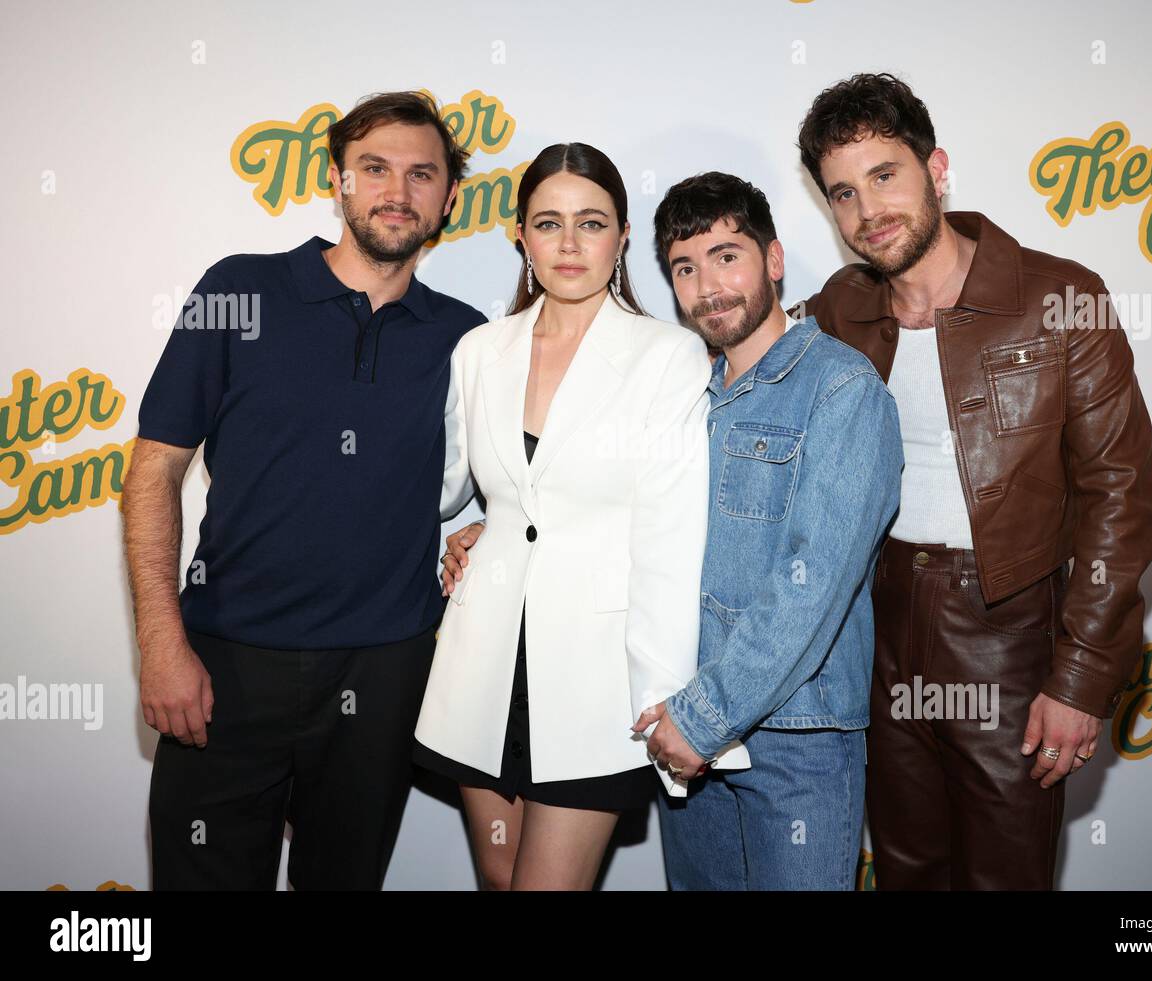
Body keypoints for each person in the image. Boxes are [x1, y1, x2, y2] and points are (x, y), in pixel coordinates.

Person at [791, 73, 1152, 889]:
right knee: (908, 869)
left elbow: (1120, 500)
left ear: (937, 168)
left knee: (1005, 875)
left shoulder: (1062, 298)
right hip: (876, 625)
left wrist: (1081, 677)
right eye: (843, 193)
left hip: (1007, 635)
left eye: (886, 175)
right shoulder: (836, 312)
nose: (868, 211)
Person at [123, 91, 486, 890]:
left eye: (422, 174)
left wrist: (488, 529)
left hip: (384, 676)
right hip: (224, 665)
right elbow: (154, 470)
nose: (399, 191)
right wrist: (159, 640)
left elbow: (529, 479)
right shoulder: (238, 288)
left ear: (448, 200)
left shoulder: (468, 337)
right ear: (338, 180)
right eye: (375, 168)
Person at [416, 143, 747, 892]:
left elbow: (670, 536)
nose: (569, 243)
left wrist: (662, 694)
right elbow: (444, 490)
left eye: (591, 222)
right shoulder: (477, 350)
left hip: (596, 682)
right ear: (521, 237)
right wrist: (465, 534)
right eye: (549, 222)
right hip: (481, 666)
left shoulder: (668, 356)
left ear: (623, 236)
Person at [630, 172, 902, 890]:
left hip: (794, 740)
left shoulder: (843, 389)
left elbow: (812, 587)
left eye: (727, 255)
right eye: (684, 267)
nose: (708, 285)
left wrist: (703, 717)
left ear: (774, 260)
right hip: (684, 733)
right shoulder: (682, 393)